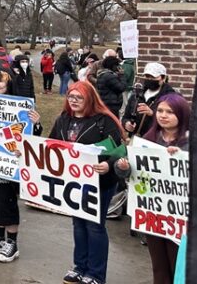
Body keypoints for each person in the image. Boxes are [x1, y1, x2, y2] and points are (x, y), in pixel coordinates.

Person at [50, 81, 124, 284]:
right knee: (78, 225)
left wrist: (108, 165)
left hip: (101, 182)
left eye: (79, 97)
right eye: (70, 96)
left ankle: (96, 274)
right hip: (74, 182)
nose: (73, 101)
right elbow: (50, 145)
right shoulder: (63, 119)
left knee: (95, 226)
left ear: (89, 98)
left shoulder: (104, 120)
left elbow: (119, 151)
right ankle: (80, 267)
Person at [115, 93, 189, 284]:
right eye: (160, 111)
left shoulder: (194, 142)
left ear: (182, 114)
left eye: (170, 112)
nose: (163, 115)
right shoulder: (148, 138)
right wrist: (123, 167)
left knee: (178, 268)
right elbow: (133, 174)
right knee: (158, 266)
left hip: (180, 220)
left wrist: (181, 156)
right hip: (153, 216)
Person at [0, 71, 42, 263]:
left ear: (8, 84)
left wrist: (36, 123)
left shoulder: (20, 106)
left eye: (0, 81)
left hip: (10, 166)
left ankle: (12, 243)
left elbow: (32, 135)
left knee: (7, 204)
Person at [122, 62, 175, 139]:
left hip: (157, 141)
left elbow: (173, 122)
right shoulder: (137, 93)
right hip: (136, 139)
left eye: (153, 77)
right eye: (147, 76)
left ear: (163, 78)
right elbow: (126, 116)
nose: (150, 79)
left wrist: (152, 113)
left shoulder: (170, 96)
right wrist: (126, 124)